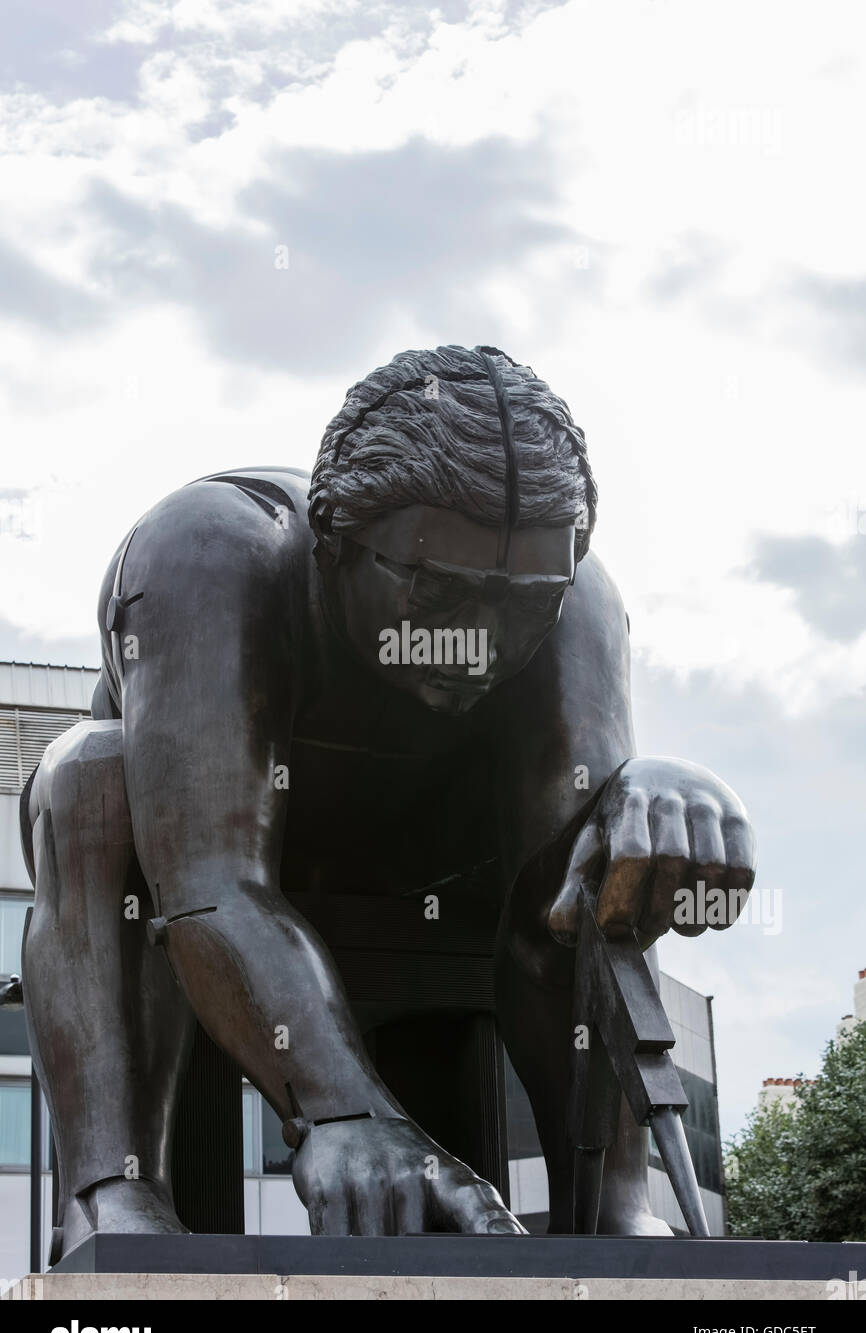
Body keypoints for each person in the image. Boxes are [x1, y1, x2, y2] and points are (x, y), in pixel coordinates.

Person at [21, 345, 755, 1253]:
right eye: (438, 592)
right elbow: (209, 878)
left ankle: (608, 1203)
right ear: (333, 545)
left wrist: (647, 805)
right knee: (87, 776)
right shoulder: (211, 551)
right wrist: (342, 1110)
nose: (480, 644)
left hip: (437, 886)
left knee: (607, 839)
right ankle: (112, 1196)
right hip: (201, 903)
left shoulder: (573, 595)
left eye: (520, 605)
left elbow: (553, 907)